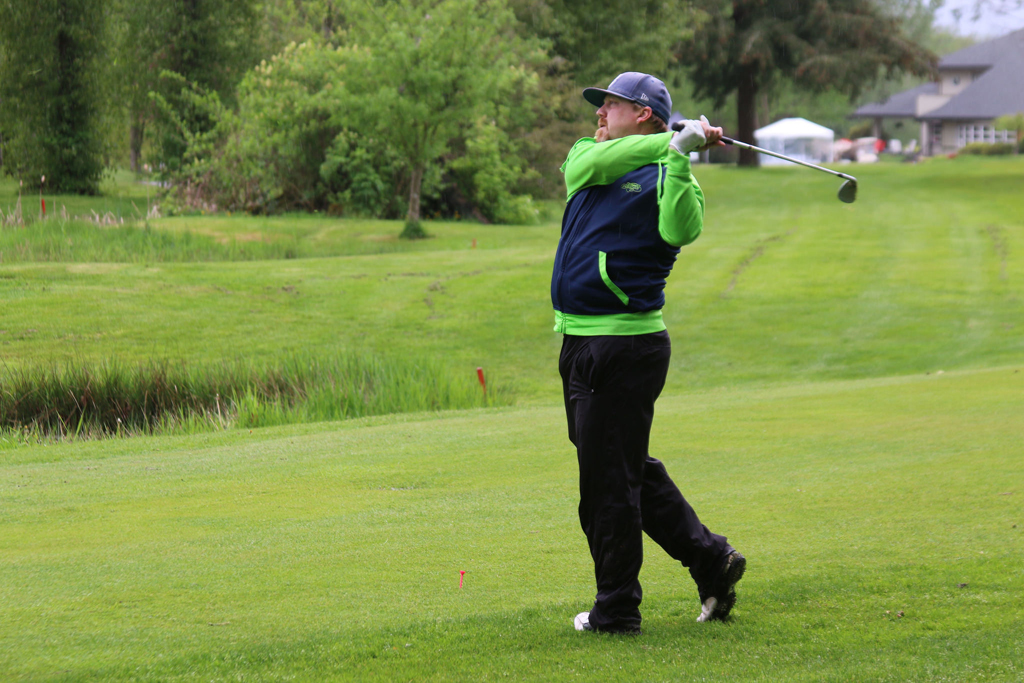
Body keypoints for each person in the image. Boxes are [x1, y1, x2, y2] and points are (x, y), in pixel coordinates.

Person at [551, 72, 746, 634]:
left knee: (607, 485)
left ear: (640, 112)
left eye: (608, 104)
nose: (598, 114)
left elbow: (681, 230)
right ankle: (711, 559)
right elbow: (579, 167)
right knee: (621, 464)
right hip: (579, 339)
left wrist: (681, 159)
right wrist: (677, 140)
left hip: (627, 343)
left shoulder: (669, 172)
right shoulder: (592, 157)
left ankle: (617, 609)